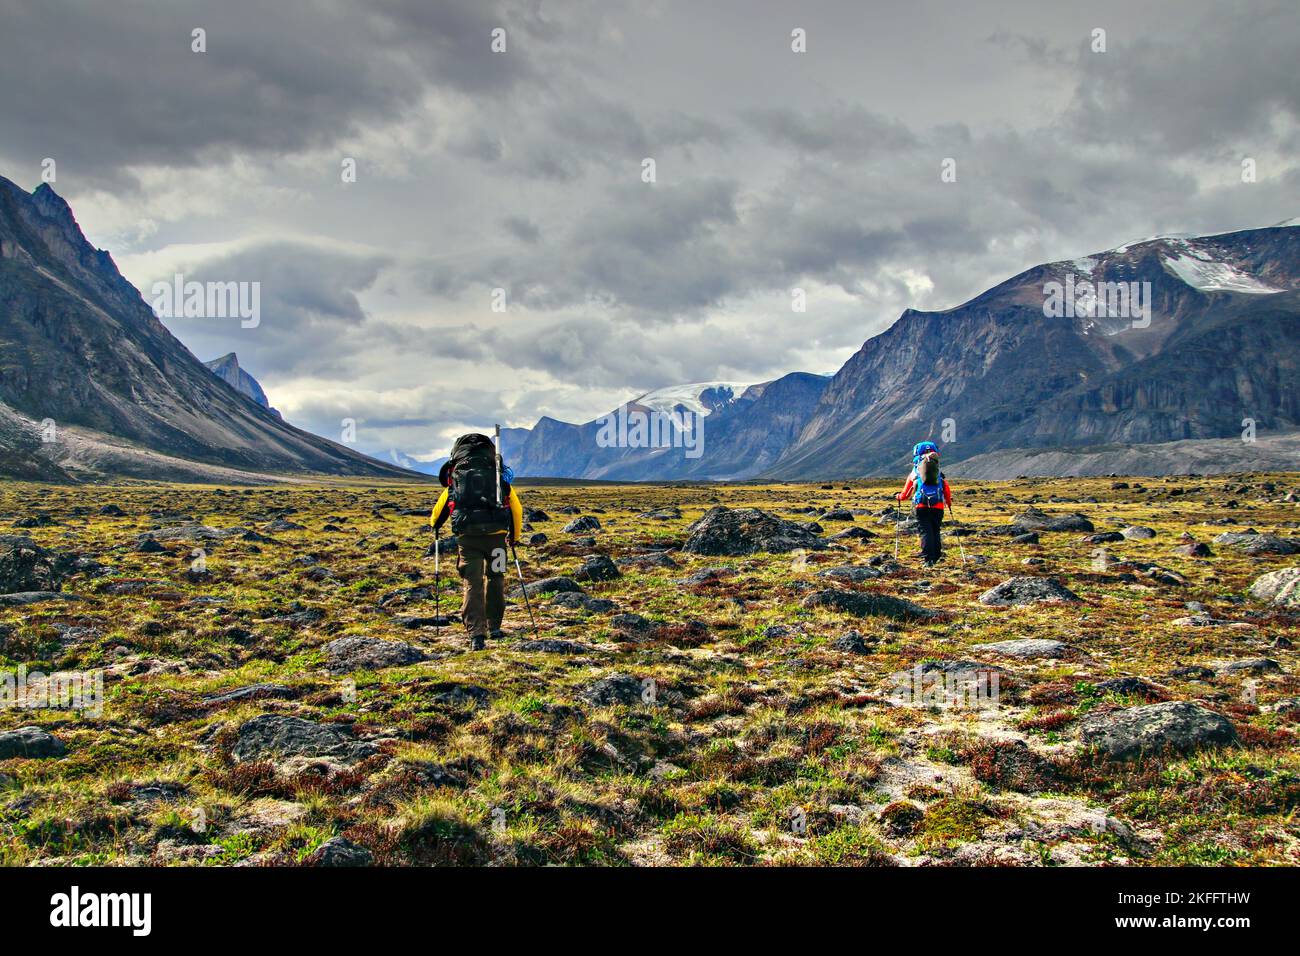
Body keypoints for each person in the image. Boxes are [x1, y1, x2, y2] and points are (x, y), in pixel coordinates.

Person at [431, 434, 524, 650]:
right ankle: (495, 627)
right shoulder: (500, 480)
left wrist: (435, 525)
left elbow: (437, 515)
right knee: (496, 579)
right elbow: (516, 510)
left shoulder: (456, 480)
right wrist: (514, 538)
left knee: (472, 583)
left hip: (468, 540)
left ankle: (476, 635)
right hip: (497, 539)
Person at [895, 447, 952, 566]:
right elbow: (945, 488)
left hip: (921, 506)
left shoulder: (915, 472)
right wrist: (948, 503)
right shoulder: (937, 472)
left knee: (925, 531)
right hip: (938, 506)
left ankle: (928, 559)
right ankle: (936, 556)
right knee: (935, 530)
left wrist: (899, 497)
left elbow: (905, 494)